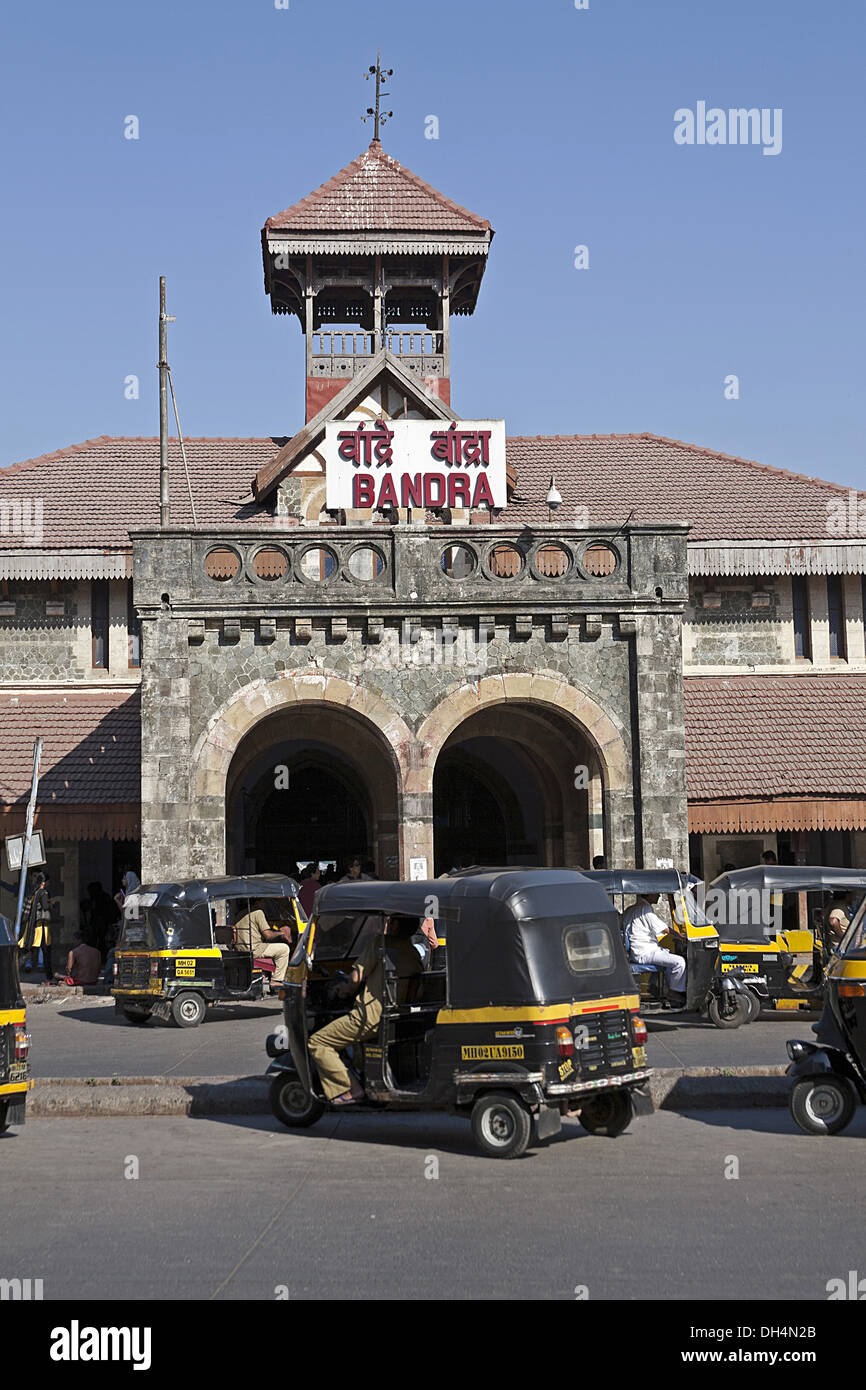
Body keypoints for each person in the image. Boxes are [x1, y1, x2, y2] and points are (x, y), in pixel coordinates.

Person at [308, 916, 423, 1104]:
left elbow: (355, 979)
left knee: (318, 1042)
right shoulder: (412, 953)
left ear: (394, 925)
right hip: (394, 1018)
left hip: (369, 1016)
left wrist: (343, 989)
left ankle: (349, 1088)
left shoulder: (380, 943)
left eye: (390, 921)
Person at [622, 892, 687, 1005]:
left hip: (638, 951)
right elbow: (664, 928)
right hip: (645, 952)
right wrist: (680, 937)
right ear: (648, 894)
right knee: (679, 962)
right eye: (656, 893)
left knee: (668, 956)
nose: (659, 896)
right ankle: (674, 992)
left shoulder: (630, 909)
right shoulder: (646, 909)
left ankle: (655, 987)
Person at [234, 899, 291, 982]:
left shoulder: (241, 914)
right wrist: (281, 933)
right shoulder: (258, 912)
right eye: (263, 901)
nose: (265, 904)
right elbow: (268, 935)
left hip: (241, 950)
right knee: (284, 949)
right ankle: (277, 980)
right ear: (258, 902)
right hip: (255, 949)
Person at [19, 872, 53, 979]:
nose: (49, 883)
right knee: (45, 949)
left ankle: (20, 965)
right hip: (41, 925)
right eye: (47, 881)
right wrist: (51, 903)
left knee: (32, 948)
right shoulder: (43, 893)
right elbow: (45, 906)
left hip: (33, 924)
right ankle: (49, 975)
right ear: (43, 882)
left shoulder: (34, 891)